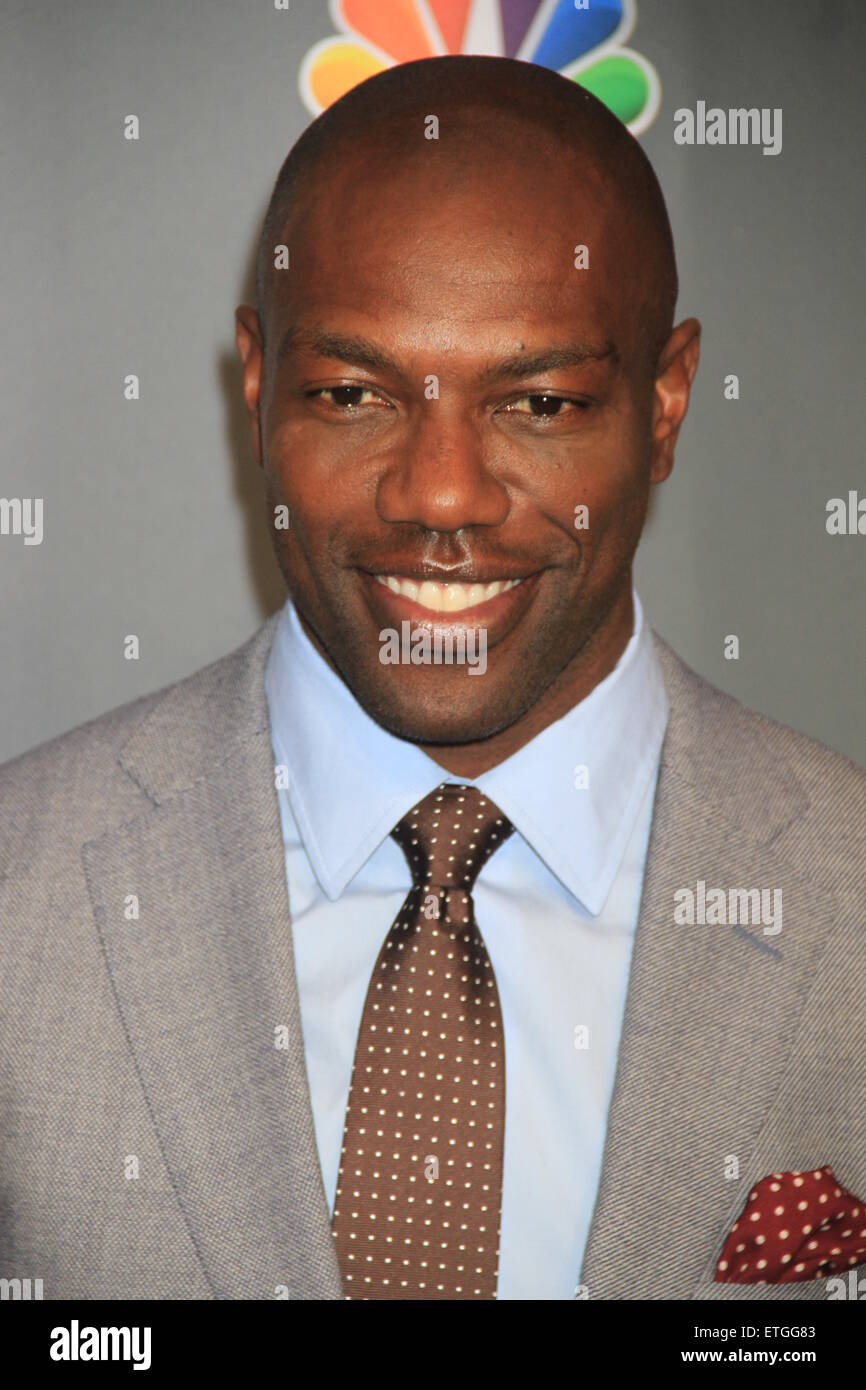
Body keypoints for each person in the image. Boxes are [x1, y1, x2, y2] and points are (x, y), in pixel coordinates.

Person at [1, 56, 863, 1303]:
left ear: (665, 404)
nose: (440, 494)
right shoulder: (23, 893)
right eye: (350, 392)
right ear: (256, 386)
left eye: (543, 401)